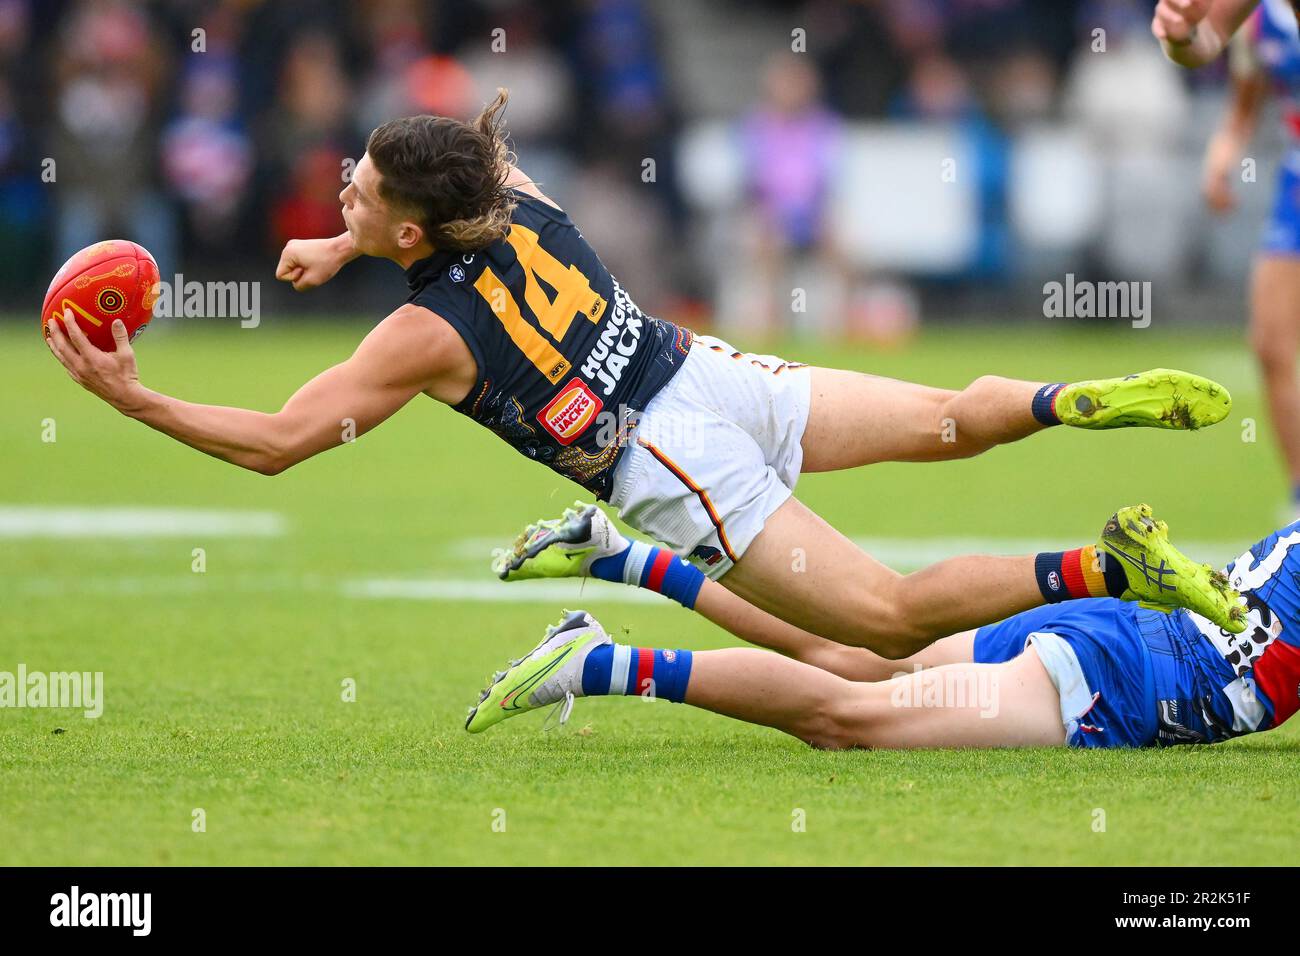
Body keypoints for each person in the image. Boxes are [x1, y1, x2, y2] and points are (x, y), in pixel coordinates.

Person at [44, 90, 1246, 677]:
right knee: (945, 420)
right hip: (710, 369)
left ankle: (1100, 566)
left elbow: (276, 442)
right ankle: (1057, 398)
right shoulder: (514, 195)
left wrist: (130, 397)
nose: (344, 195)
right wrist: (349, 238)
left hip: (665, 456)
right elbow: (416, 218)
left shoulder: (424, 335)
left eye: (358, 191)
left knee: (878, 626)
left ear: (419, 236)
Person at [466, 519, 1300, 750]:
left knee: (849, 657)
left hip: (1119, 628)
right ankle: (598, 663)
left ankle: (622, 559)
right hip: (1122, 676)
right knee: (845, 720)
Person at [1203, 0, 1300, 515]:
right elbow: (1243, 109)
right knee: (1269, 342)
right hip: (1296, 189)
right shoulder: (1258, 20)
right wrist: (1222, 154)